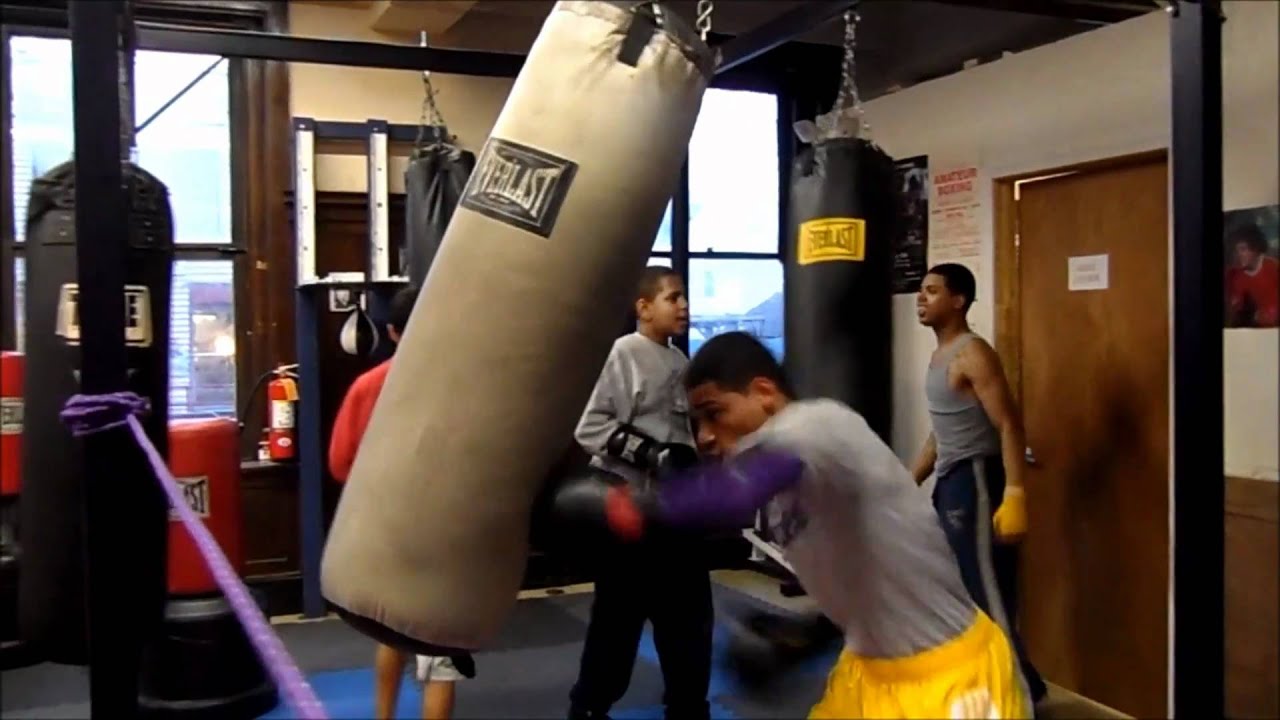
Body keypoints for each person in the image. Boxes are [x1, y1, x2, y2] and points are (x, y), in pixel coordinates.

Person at [600, 331, 1032, 719]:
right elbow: (865, 558)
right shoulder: (775, 470)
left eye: (715, 413)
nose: (706, 436)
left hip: (956, 680)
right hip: (869, 673)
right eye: (697, 423)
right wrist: (814, 630)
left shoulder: (816, 425)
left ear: (764, 392)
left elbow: (731, 498)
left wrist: (636, 509)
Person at [567, 265, 712, 720]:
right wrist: (651, 454)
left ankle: (688, 707)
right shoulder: (623, 353)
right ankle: (588, 709)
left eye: (684, 296)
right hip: (631, 515)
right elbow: (589, 427)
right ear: (644, 307)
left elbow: (686, 436)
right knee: (618, 623)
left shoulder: (681, 362)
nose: (684, 305)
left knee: (690, 624)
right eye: (673, 297)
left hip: (678, 517)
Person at [329, 284, 471, 720]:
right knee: (439, 656)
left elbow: (338, 464)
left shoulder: (366, 386)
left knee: (390, 631)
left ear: (391, 332)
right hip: (441, 529)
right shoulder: (461, 391)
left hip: (384, 528)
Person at [911, 262, 1048, 706]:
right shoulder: (938, 357)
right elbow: (943, 430)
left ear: (958, 300)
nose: (921, 298)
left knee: (988, 596)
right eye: (921, 291)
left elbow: (1008, 425)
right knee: (960, 594)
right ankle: (1009, 685)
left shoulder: (974, 354)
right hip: (951, 482)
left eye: (932, 291)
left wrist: (1015, 492)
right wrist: (908, 479)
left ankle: (1020, 696)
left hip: (977, 482)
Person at [1225, 222, 1279, 327]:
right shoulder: (1232, 275)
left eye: (1243, 249)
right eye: (1236, 250)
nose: (1238, 254)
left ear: (1256, 249)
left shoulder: (1274, 268)